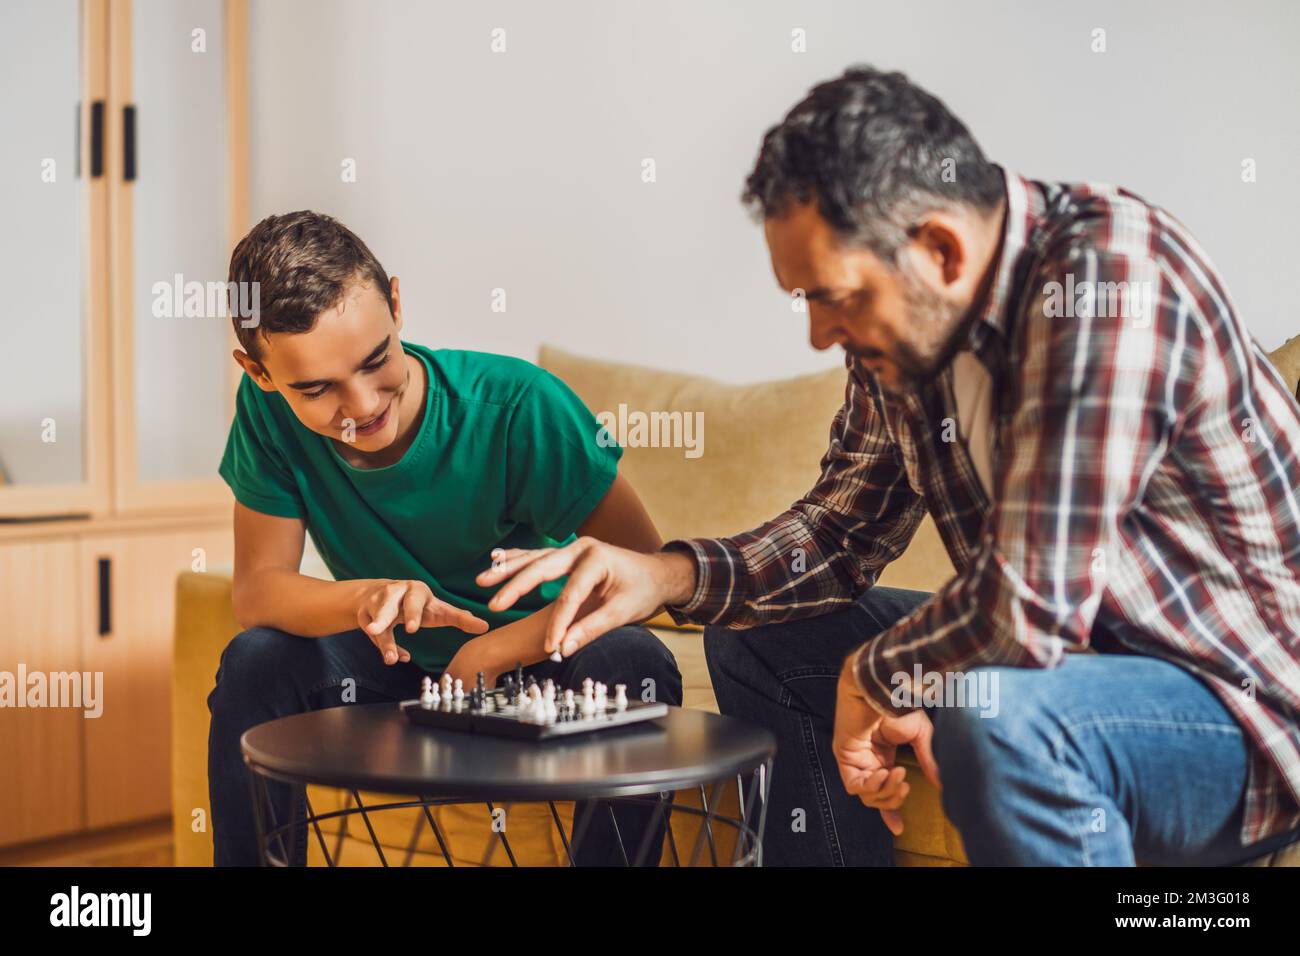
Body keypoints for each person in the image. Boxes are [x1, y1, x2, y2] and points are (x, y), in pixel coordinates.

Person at [478, 66, 1300, 866]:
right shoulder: (907, 344)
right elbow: (837, 536)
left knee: (1000, 718)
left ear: (939, 248)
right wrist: (667, 575)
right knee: (756, 637)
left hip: (1241, 711)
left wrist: (878, 674)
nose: (818, 335)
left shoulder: (1106, 279)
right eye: (807, 302)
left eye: (834, 296)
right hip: (1066, 673)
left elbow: (1030, 602)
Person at [207, 211, 681, 866]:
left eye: (376, 362)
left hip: (536, 660)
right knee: (256, 660)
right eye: (315, 389)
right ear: (259, 373)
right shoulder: (265, 412)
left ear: (397, 305)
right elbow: (258, 590)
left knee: (636, 659)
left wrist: (500, 648)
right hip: (391, 665)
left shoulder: (521, 408)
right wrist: (364, 598)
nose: (363, 405)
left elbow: (648, 574)